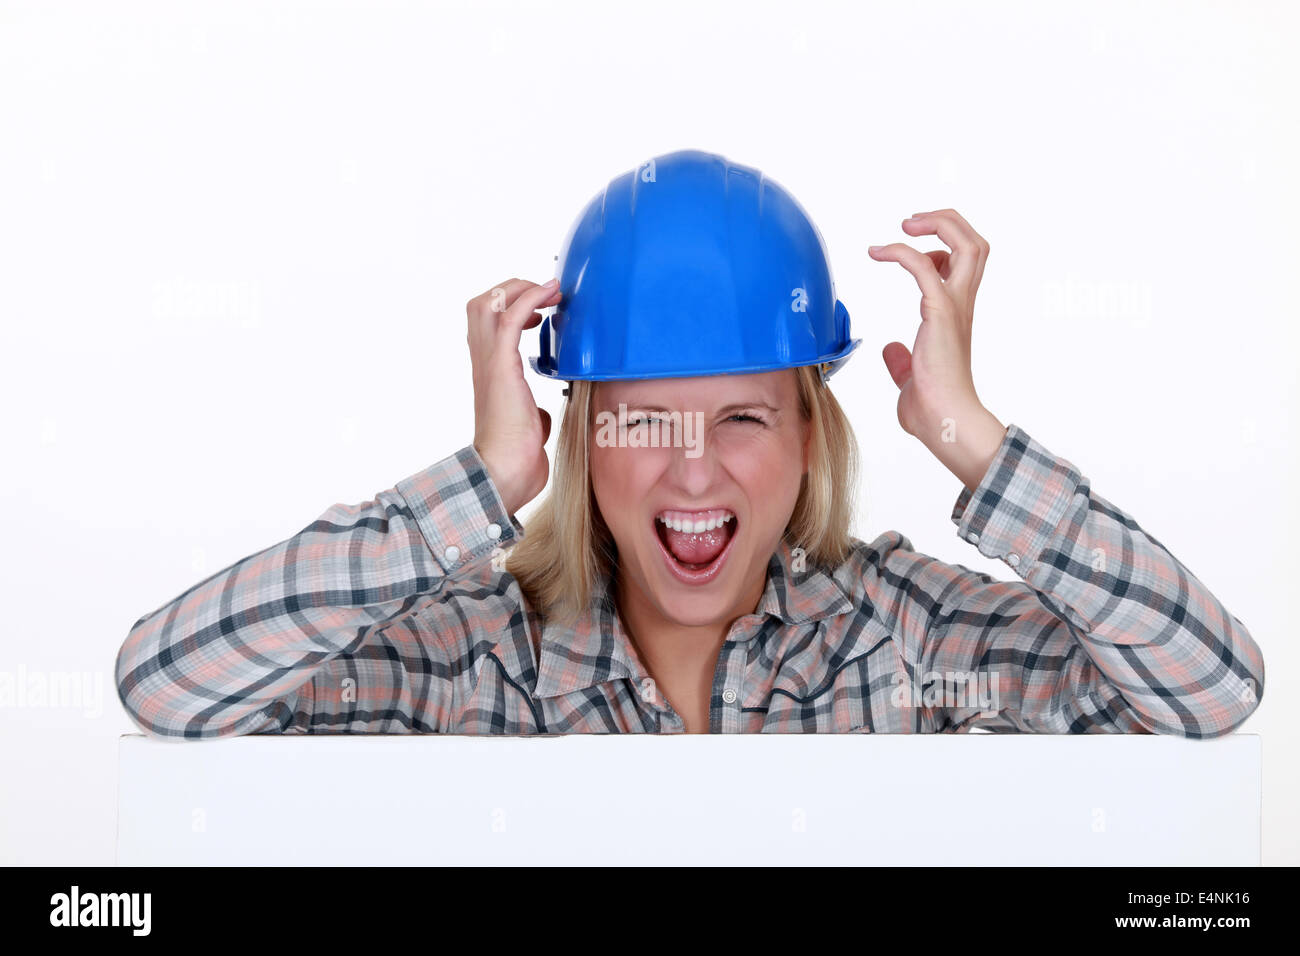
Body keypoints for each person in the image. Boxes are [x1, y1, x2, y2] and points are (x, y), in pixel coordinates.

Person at [115, 150, 1264, 738]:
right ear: (582, 437)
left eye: (744, 417)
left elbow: (1206, 689)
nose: (695, 467)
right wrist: (479, 485)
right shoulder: (468, 662)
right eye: (646, 419)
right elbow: (166, 685)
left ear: (810, 437)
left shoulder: (903, 636)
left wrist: (970, 441)